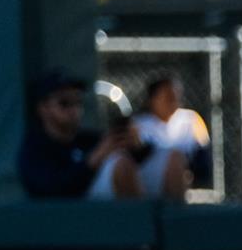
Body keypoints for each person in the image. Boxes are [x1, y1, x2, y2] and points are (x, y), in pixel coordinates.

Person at [17, 68, 148, 200]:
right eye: (65, 103)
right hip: (66, 216)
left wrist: (136, 145)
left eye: (78, 102)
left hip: (104, 210)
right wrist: (94, 159)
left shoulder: (88, 140)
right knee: (121, 165)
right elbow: (52, 189)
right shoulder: (34, 149)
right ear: (42, 108)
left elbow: (143, 159)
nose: (74, 109)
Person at [130, 74, 211, 197]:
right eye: (168, 96)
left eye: (177, 96)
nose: (174, 100)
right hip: (149, 188)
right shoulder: (136, 125)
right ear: (152, 99)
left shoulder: (192, 119)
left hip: (187, 185)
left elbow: (203, 161)